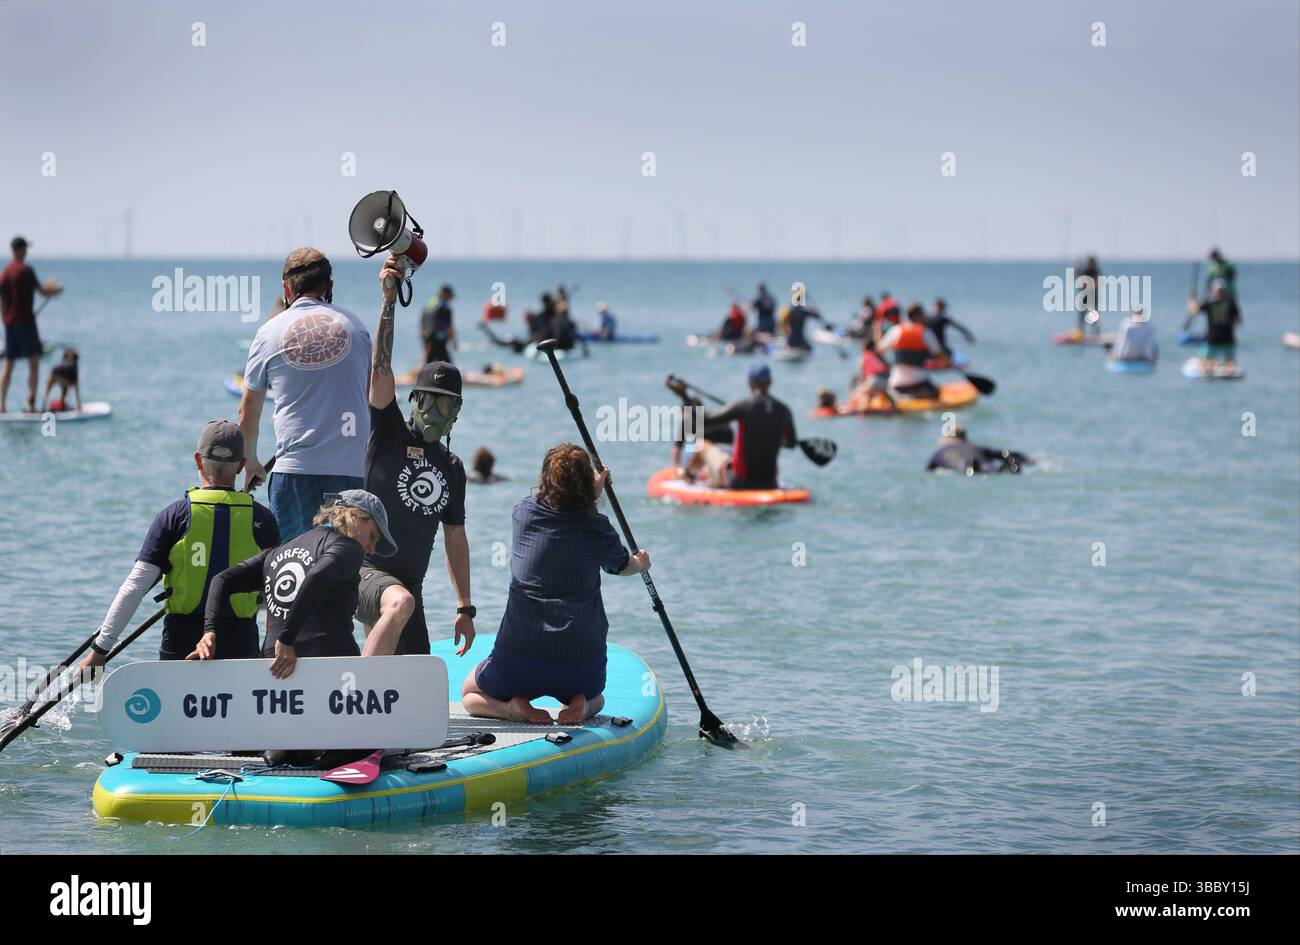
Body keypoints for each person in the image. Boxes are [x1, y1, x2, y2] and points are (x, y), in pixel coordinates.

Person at [461, 445, 650, 725]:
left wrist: (590, 492)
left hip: (519, 656)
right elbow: (622, 567)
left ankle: (513, 708)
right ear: (587, 485)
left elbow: (561, 513)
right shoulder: (598, 527)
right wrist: (641, 563)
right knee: (598, 699)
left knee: (470, 694)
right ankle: (580, 705)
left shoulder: (522, 514)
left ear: (545, 480)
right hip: (580, 662)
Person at [77, 421, 279, 675]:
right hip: (241, 643)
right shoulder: (263, 519)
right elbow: (277, 595)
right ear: (241, 465)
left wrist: (99, 651)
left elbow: (134, 587)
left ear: (198, 460)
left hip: (180, 642)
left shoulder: (173, 516)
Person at [354, 259, 475, 657]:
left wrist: (464, 607)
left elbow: (455, 536)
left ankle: (369, 699)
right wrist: (389, 301)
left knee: (417, 683)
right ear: (416, 400)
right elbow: (380, 366)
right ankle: (358, 703)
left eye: (450, 406)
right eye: (433, 402)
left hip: (409, 592)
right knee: (395, 609)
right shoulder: (388, 433)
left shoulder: (452, 468)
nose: (440, 413)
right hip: (365, 572)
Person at [240, 248, 372, 541]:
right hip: (349, 472)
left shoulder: (268, 333)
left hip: (294, 474)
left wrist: (251, 463)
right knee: (342, 572)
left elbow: (248, 411)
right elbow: (366, 399)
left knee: (291, 570)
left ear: (286, 288)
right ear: (330, 286)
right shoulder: (357, 328)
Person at [194, 489, 396, 673]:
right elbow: (318, 575)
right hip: (329, 664)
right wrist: (286, 639)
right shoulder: (349, 547)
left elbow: (222, 579)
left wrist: (210, 631)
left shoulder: (280, 550)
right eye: (373, 536)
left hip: (274, 666)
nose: (372, 548)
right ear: (355, 516)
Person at [695, 362, 797, 489]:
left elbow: (704, 420)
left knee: (700, 444)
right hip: (770, 484)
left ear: (749, 383)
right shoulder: (784, 411)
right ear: (770, 382)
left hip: (740, 483)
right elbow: (792, 443)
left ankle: (686, 475)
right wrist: (771, 438)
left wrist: (685, 398)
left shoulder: (744, 406)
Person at [1, 236, 64, 414]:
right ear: (20, 250)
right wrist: (57, 290)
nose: (26, 252)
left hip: (9, 324)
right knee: (34, 363)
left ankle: (1, 406)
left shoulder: (5, 273)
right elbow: (43, 291)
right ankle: (31, 405)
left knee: (8, 364)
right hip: (26, 323)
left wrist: (4, 318)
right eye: (25, 249)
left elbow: (1, 299)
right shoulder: (26, 270)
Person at [665, 375, 733, 473]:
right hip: (728, 459)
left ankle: (689, 475)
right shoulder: (720, 421)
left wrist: (678, 470)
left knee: (690, 448)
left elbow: (677, 451)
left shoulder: (688, 425)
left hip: (708, 465)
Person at [878, 303, 943, 399]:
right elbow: (940, 355)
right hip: (919, 384)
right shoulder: (925, 332)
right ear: (919, 316)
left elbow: (879, 350)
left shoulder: (896, 330)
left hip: (897, 384)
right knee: (936, 391)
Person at [926, 427, 1031, 475]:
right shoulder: (977, 448)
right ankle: (1014, 467)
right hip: (990, 468)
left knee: (970, 471)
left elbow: (928, 470)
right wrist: (1028, 460)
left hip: (968, 468)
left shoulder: (940, 453)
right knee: (1001, 470)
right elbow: (1006, 453)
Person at [1189, 279, 1242, 369]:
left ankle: (1213, 365)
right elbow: (1239, 322)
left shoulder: (1210, 304)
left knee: (1205, 362)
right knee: (1230, 363)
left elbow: (1194, 311)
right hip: (1227, 339)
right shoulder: (1231, 303)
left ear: (1214, 291)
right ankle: (1219, 365)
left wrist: (1192, 297)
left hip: (1214, 339)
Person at [421, 284, 457, 364]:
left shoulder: (431, 302)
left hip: (426, 335)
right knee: (446, 362)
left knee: (429, 360)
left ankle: (426, 375)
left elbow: (424, 318)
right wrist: (454, 342)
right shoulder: (445, 307)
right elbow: (449, 327)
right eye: (450, 296)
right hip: (438, 337)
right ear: (446, 294)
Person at [42, 347, 80, 412]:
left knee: (47, 391)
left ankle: (42, 407)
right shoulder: (73, 369)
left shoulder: (60, 365)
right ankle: (62, 405)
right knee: (65, 389)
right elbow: (77, 390)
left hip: (55, 372)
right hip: (65, 376)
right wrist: (79, 407)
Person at [1078, 256, 1101, 335]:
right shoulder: (1084, 270)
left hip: (1093, 295)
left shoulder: (1096, 271)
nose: (1089, 264)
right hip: (1084, 295)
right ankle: (1081, 332)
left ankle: (1096, 333)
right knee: (1082, 315)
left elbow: (1097, 282)